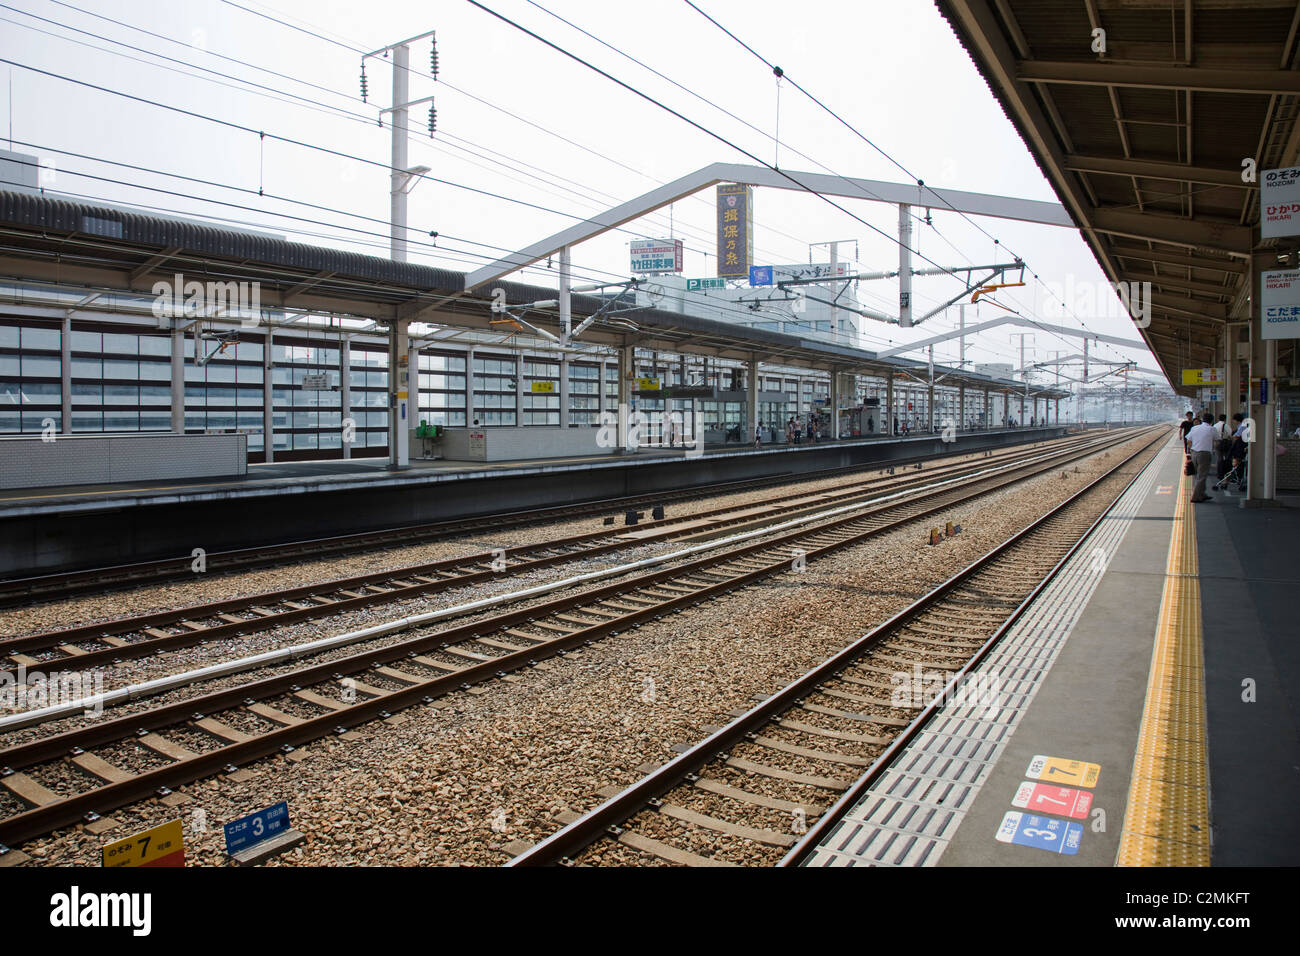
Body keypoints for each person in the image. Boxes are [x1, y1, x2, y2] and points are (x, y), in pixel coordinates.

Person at [1188, 413, 1216, 502]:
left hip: (1194, 453)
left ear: (1202, 419)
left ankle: (1202, 494)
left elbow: (1189, 440)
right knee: (1202, 476)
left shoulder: (1194, 428)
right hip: (1204, 454)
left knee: (1199, 475)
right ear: (1211, 421)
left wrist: (1191, 451)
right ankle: (1195, 497)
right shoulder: (1212, 429)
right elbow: (1217, 439)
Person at [1214, 414, 1231, 479]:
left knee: (1219, 459)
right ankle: (1226, 473)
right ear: (1225, 419)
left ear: (1218, 418)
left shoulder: (1215, 425)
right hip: (1225, 442)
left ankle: (1219, 474)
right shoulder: (1226, 426)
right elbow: (1230, 434)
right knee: (1227, 457)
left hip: (1217, 442)